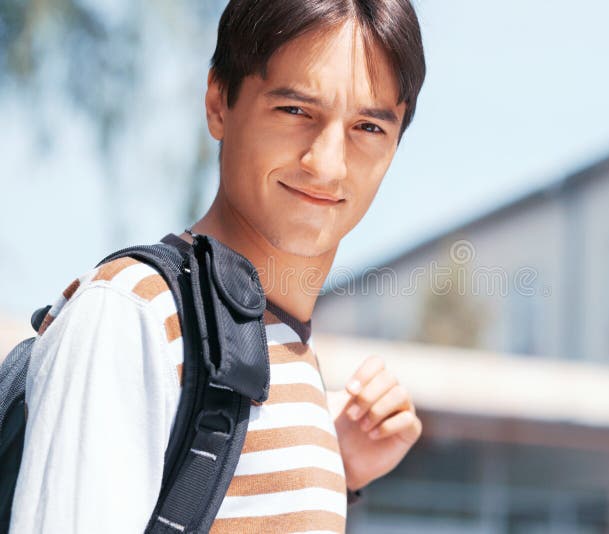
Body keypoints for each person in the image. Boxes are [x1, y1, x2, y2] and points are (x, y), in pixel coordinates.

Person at [9, 0, 426, 532]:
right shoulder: (135, 313)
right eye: (295, 111)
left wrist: (335, 468)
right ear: (218, 103)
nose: (326, 163)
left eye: (367, 127)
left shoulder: (286, 358)